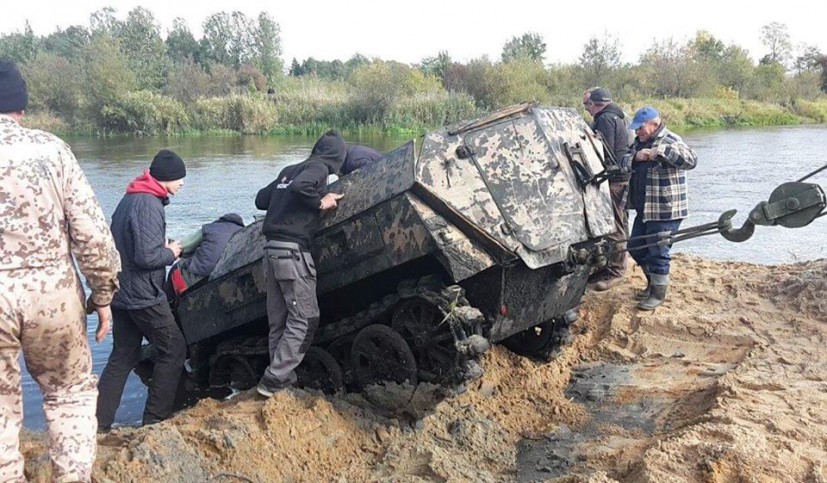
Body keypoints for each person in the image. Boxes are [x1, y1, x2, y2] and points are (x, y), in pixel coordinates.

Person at [0, 59, 121, 482]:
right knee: (69, 396)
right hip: (52, 294)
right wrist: (103, 295)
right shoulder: (51, 150)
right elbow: (92, 235)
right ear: (21, 106)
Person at [96, 149, 188, 429]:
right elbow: (146, 258)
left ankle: (98, 424)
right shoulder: (149, 204)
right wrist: (171, 252)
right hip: (142, 295)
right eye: (180, 178)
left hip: (120, 293)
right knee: (174, 349)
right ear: (165, 179)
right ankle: (155, 420)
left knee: (122, 356)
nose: (183, 183)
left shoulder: (130, 198)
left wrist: (160, 249)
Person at [254, 130, 346, 397]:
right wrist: (321, 201)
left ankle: (279, 382)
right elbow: (301, 188)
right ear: (336, 158)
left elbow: (261, 199)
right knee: (306, 318)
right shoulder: (318, 167)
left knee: (279, 321)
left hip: (270, 252)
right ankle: (275, 379)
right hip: (292, 253)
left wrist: (282, 195)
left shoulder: (289, 169)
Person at [626, 107, 697, 310]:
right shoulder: (638, 143)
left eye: (640, 128)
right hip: (645, 208)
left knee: (658, 250)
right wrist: (636, 157)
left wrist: (661, 152)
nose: (637, 132)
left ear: (654, 125)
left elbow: (692, 160)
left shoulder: (671, 140)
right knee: (635, 246)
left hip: (667, 209)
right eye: (636, 128)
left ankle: (658, 294)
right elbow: (624, 161)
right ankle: (652, 283)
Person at [583, 87, 631, 291]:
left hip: (614, 180)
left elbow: (603, 152)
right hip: (622, 176)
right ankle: (613, 264)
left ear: (596, 104)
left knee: (614, 225)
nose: (587, 110)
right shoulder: (619, 115)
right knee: (621, 221)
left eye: (588, 105)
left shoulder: (604, 119)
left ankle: (616, 270)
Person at [166, 213, 245, 297]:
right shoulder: (244, 232)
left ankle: (167, 303)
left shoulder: (211, 228)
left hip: (199, 278)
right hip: (226, 279)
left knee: (176, 268)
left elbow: (184, 247)